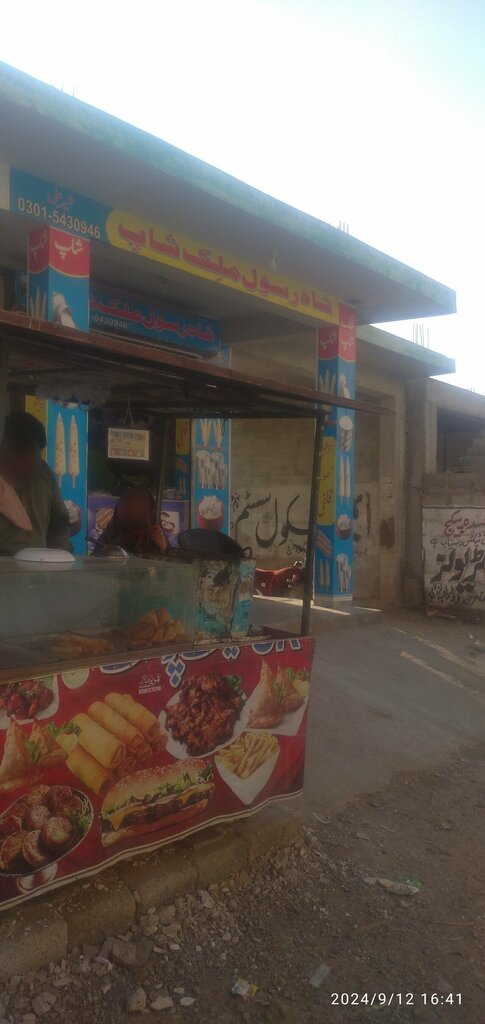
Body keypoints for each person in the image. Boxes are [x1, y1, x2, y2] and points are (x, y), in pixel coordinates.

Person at [0, 412, 70, 555]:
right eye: (15, 452)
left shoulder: (44, 475)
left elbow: (59, 522)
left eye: (30, 453)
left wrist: (57, 559)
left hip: (38, 572)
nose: (22, 464)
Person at [96, 486, 168, 558]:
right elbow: (96, 561)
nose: (132, 510)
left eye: (138, 504)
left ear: (149, 510)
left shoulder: (155, 536)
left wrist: (163, 547)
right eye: (128, 503)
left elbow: (168, 565)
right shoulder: (111, 534)